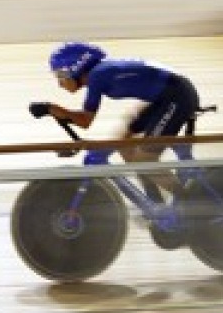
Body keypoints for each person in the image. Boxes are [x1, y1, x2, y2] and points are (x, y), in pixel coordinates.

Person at [31, 41, 201, 201]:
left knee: (145, 159)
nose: (60, 83)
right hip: (170, 95)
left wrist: (51, 108)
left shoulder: (97, 76)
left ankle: (190, 204)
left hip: (176, 97)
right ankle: (155, 203)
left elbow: (85, 121)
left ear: (75, 68)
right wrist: (55, 111)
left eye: (60, 75)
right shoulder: (100, 72)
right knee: (124, 144)